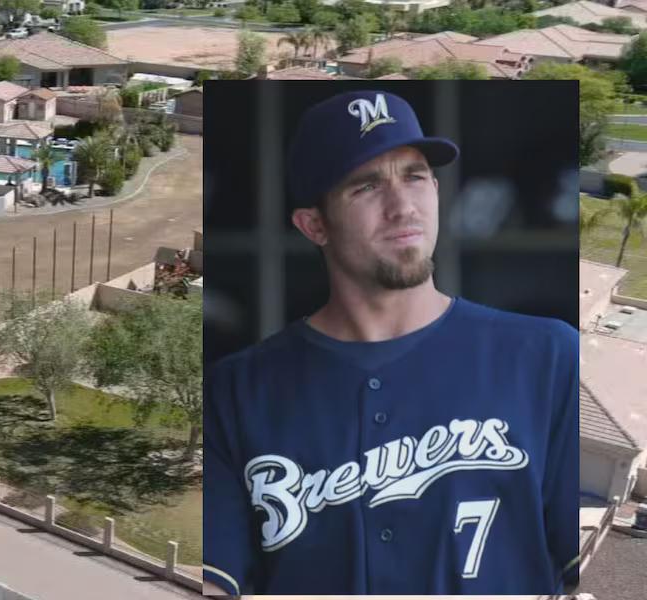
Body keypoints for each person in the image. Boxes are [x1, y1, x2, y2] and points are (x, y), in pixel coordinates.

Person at [203, 90, 579, 596]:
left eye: (416, 176)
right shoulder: (233, 393)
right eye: (366, 186)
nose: (403, 207)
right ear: (314, 225)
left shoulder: (550, 359)